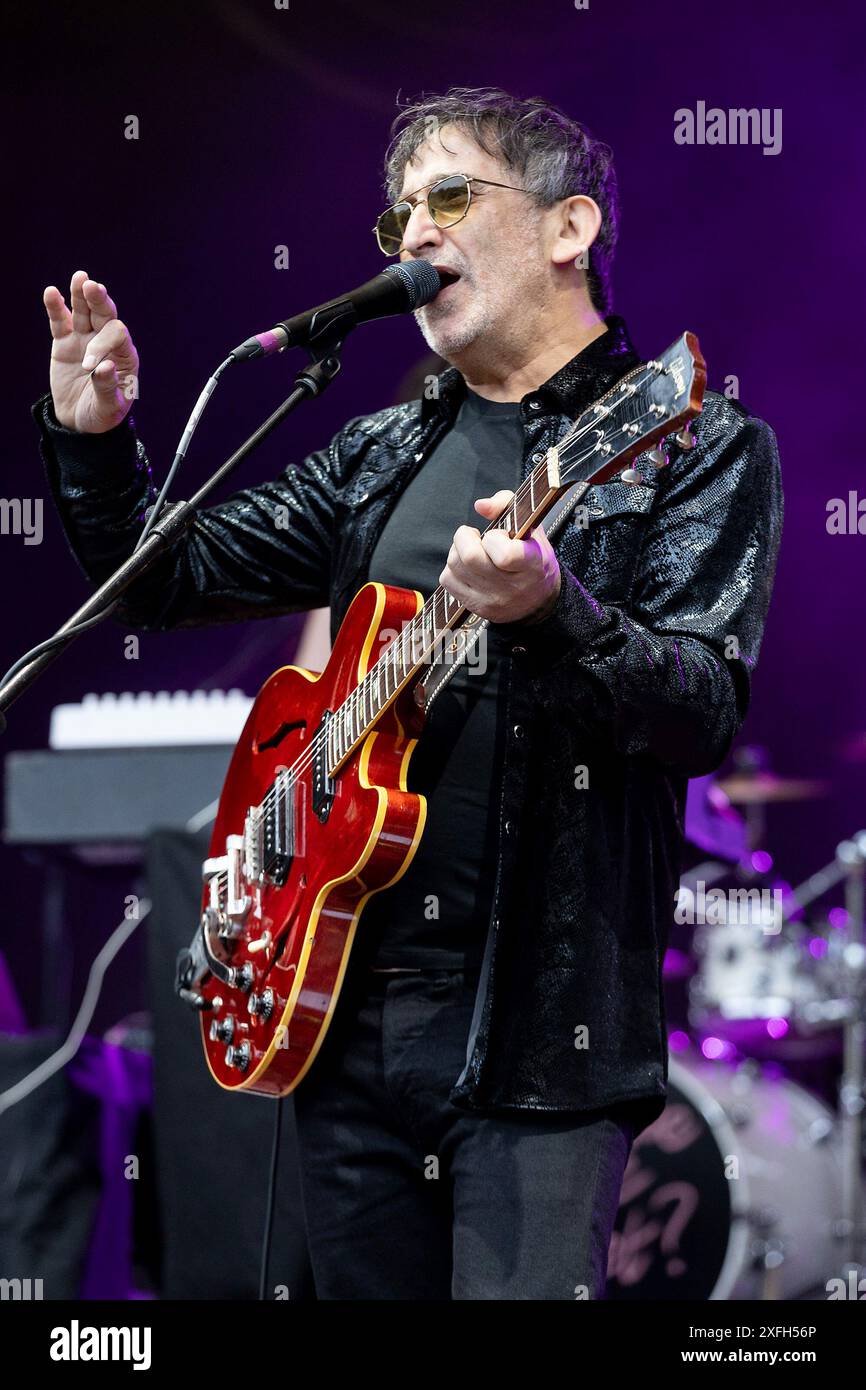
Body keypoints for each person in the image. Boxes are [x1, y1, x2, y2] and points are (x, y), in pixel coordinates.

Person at [32, 86, 783, 1299]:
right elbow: (168, 578)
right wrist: (96, 439)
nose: (415, 235)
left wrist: (556, 611)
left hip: (540, 1045)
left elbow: (698, 706)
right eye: (397, 219)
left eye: (448, 197)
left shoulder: (690, 443)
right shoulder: (384, 450)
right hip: (339, 1019)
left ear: (567, 227)